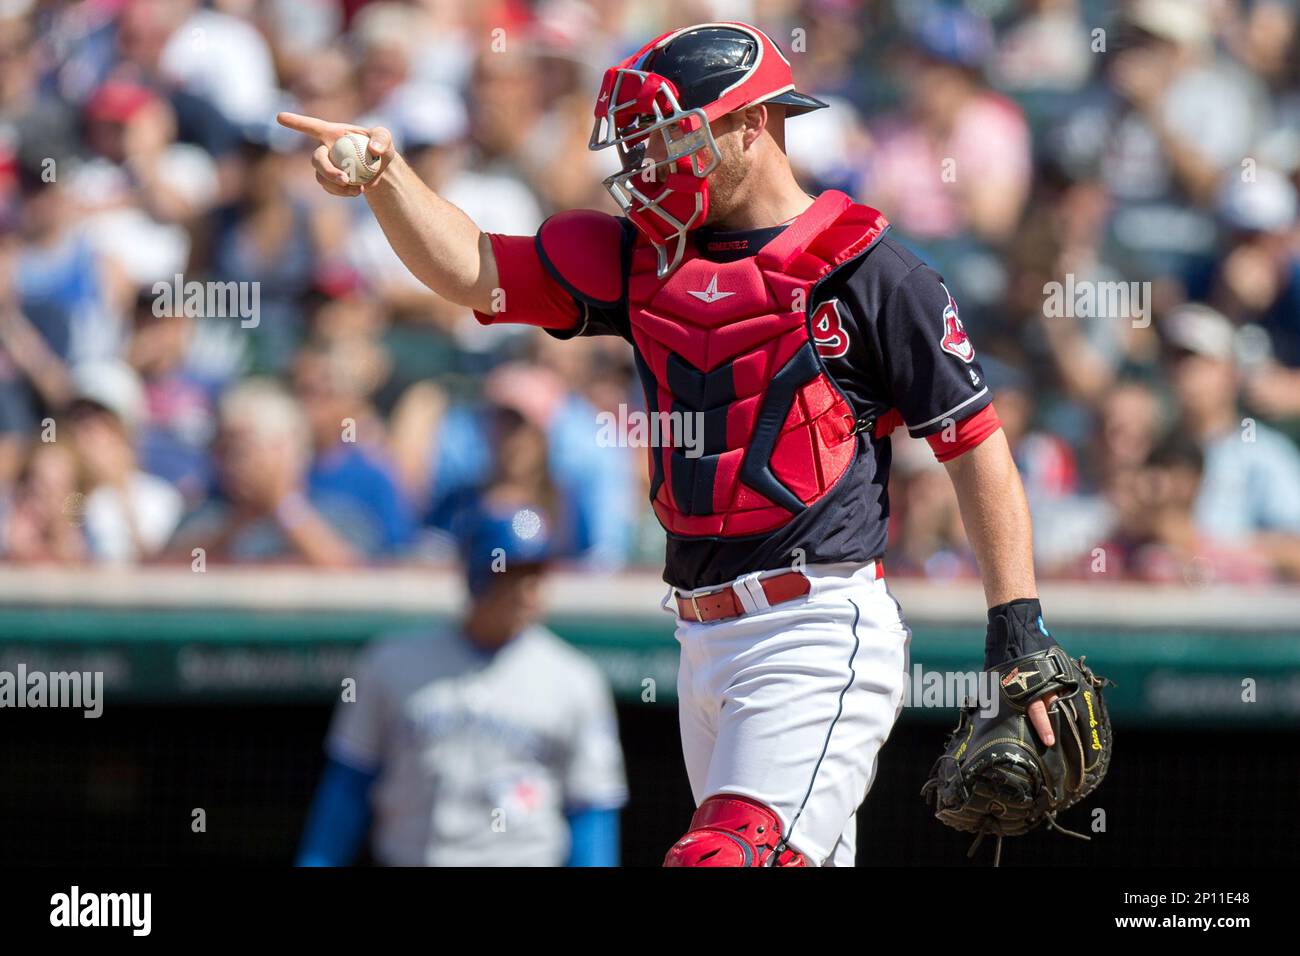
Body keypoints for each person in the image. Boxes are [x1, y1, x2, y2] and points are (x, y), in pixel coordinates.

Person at [280, 21, 1082, 867]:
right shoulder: (642, 259)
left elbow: (976, 448)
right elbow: (472, 270)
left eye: (672, 139)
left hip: (813, 627)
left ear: (753, 123)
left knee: (722, 857)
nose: (651, 165)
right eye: (642, 144)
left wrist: (1018, 631)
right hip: (699, 638)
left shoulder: (877, 274)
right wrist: (387, 177)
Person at [296, 501, 627, 867]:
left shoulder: (574, 679)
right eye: (513, 573)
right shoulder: (391, 663)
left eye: (536, 573)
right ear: (478, 575)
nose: (528, 589)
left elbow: (591, 809)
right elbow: (348, 788)